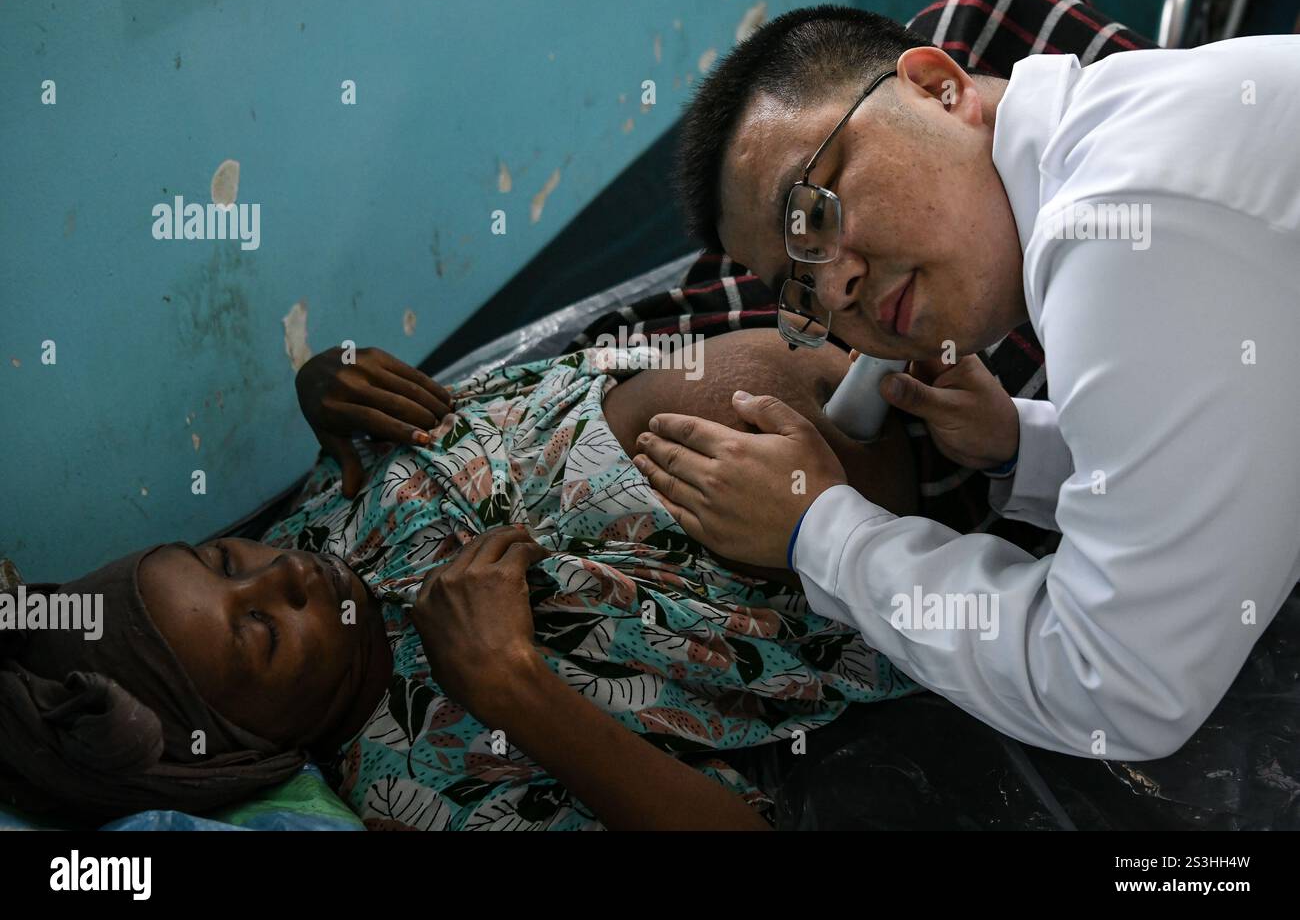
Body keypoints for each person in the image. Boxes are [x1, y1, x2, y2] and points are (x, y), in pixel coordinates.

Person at [635, 0, 1300, 761]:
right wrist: (1024, 446)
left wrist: (823, 535)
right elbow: (1244, 451)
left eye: (811, 211)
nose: (837, 283)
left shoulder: (1120, 227)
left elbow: (1120, 686)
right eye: (799, 287)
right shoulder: (1120, 153)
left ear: (937, 86)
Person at [0, 332, 919, 829]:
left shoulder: (314, 532)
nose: (286, 576)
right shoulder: (424, 787)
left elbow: (386, 428)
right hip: (861, 548)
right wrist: (514, 687)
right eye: (263, 632)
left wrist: (331, 380)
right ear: (249, 747)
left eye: (225, 558)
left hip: (791, 365)